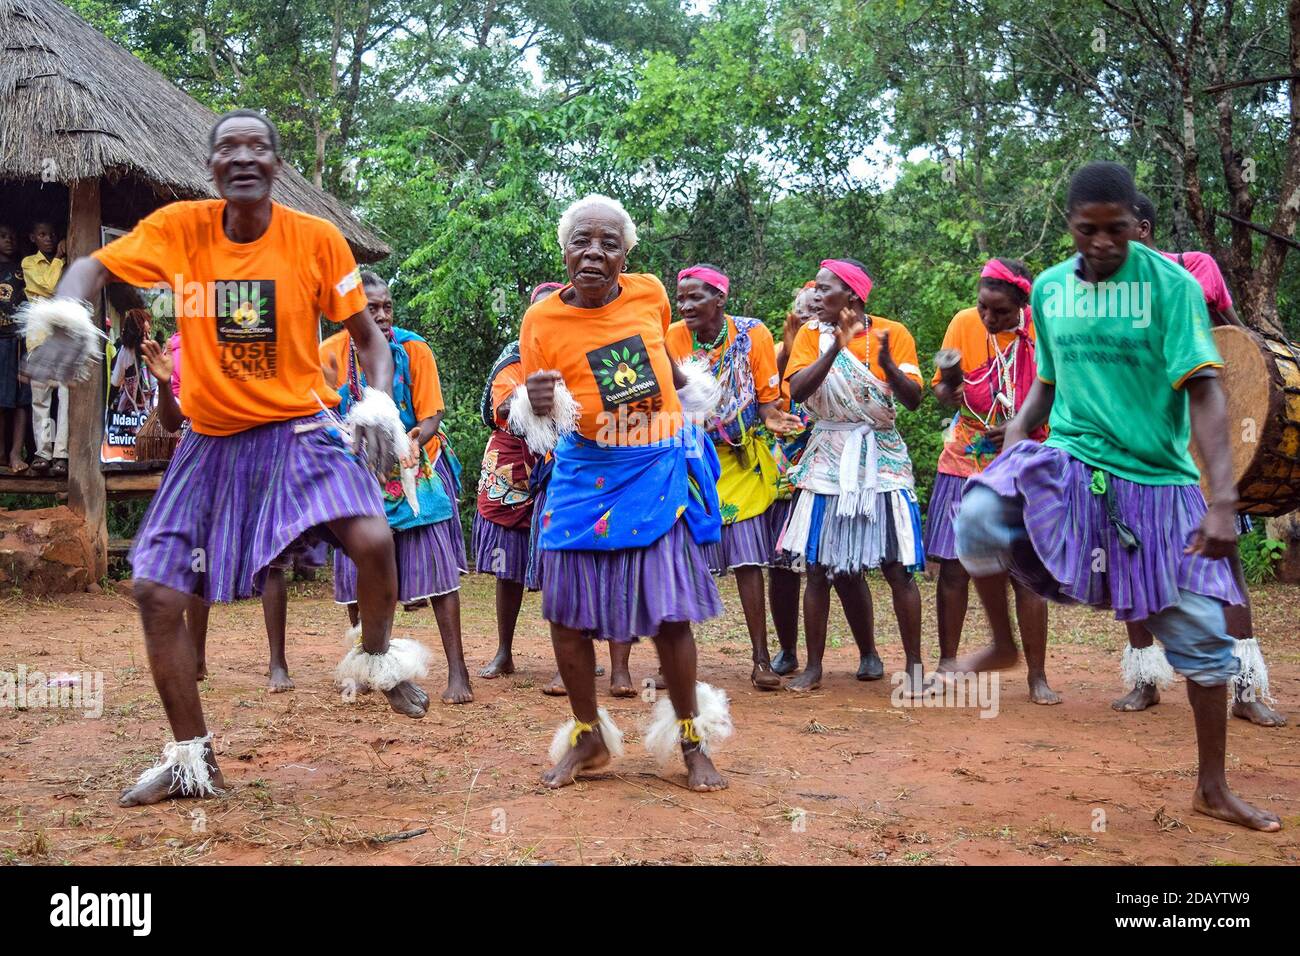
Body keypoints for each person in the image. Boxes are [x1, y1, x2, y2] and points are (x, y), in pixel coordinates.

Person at [51, 108, 430, 807]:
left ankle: (376, 657)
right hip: (211, 438)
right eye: (230, 146)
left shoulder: (315, 242)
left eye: (260, 146)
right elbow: (89, 266)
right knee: (156, 590)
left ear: (278, 166)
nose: (245, 156)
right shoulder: (179, 230)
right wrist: (67, 314)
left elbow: (371, 344)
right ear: (212, 167)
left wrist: (377, 404)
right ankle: (192, 762)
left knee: (374, 538)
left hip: (297, 427)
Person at [955, 161, 1280, 832]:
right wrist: (1018, 440)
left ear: (1137, 223)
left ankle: (1212, 787)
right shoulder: (1047, 290)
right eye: (1087, 230)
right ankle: (1001, 644)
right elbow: (1047, 381)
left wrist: (1221, 501)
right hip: (1073, 462)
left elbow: (1206, 391)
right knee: (980, 513)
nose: (1101, 243)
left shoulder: (1171, 288)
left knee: (1203, 642)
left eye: (1116, 229)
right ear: (1070, 226)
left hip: (1159, 486)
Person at [514, 193, 732, 792]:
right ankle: (586, 736)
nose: (594, 253)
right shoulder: (541, 321)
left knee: (670, 615)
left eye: (610, 244)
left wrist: (688, 391)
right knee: (564, 613)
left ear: (625, 256)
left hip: (653, 466)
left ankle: (692, 740)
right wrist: (534, 404)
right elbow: (539, 400)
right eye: (583, 241)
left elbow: (662, 357)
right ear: (564, 250)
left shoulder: (650, 293)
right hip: (583, 471)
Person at [1111, 194, 1285, 727]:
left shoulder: (1194, 268)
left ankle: (1245, 688)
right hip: (1136, 443)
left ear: (1143, 226)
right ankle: (1145, 680)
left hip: (1202, 443)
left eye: (1118, 229)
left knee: (1221, 564)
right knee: (1131, 559)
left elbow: (1239, 345)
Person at [322, 271, 474, 705]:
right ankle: (366, 665)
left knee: (439, 572)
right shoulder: (329, 353)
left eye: (388, 307)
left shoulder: (413, 348)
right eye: (373, 309)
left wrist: (409, 443)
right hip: (354, 469)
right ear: (351, 312)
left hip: (412, 461)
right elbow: (325, 413)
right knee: (357, 572)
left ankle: (457, 671)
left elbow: (430, 417)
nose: (384, 316)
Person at [779, 259, 929, 694]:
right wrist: (834, 346)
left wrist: (888, 363)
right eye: (817, 289)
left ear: (853, 298)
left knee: (898, 568)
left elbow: (914, 399)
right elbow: (798, 391)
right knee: (818, 566)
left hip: (880, 454)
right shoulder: (811, 334)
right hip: (828, 454)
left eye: (826, 290)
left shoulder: (893, 332)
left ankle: (916, 666)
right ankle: (813, 667)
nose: (816, 296)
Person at [926, 259, 1058, 704]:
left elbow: (1061, 394)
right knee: (955, 565)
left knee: (1026, 572)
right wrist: (949, 389)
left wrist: (1020, 425)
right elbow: (943, 389)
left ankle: (1037, 676)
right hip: (966, 457)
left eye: (1000, 312)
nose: (988, 318)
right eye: (983, 307)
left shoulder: (1044, 330)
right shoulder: (963, 323)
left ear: (1022, 304)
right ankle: (948, 663)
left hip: (1025, 460)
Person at [666, 264, 802, 690]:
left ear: (720, 300)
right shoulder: (673, 337)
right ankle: (673, 662)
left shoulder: (752, 334)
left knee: (747, 559)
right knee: (679, 560)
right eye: (682, 298)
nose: (686, 306)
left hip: (740, 457)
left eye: (696, 298)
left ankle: (761, 660)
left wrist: (776, 418)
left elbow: (766, 399)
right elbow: (671, 400)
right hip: (692, 458)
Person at [137, 333, 295, 692]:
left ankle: (278, 663)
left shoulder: (257, 337)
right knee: (198, 556)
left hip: (257, 447)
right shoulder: (183, 345)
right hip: (200, 451)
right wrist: (164, 383)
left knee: (268, 552)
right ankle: (196, 657)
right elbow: (174, 421)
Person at [768, 283, 817, 675]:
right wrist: (789, 341)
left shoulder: (846, 344)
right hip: (785, 468)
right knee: (782, 564)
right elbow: (769, 392)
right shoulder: (777, 349)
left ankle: (867, 650)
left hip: (829, 465)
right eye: (804, 312)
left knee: (829, 567)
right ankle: (787, 649)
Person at [23, 219, 67, 477]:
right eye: (42, 234)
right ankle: (43, 452)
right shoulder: (28, 263)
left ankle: (61, 454)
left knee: (65, 398)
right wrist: (60, 257)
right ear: (32, 238)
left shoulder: (67, 261)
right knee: (40, 399)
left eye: (51, 233)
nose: (48, 238)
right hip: (39, 339)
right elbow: (50, 287)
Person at [0, 223, 31, 473]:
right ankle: (1, 451)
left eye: (12, 235)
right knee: (1, 399)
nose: (8, 240)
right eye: (2, 236)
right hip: (0, 340)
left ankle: (14, 453)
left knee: (22, 399)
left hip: (21, 340)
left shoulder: (25, 268)